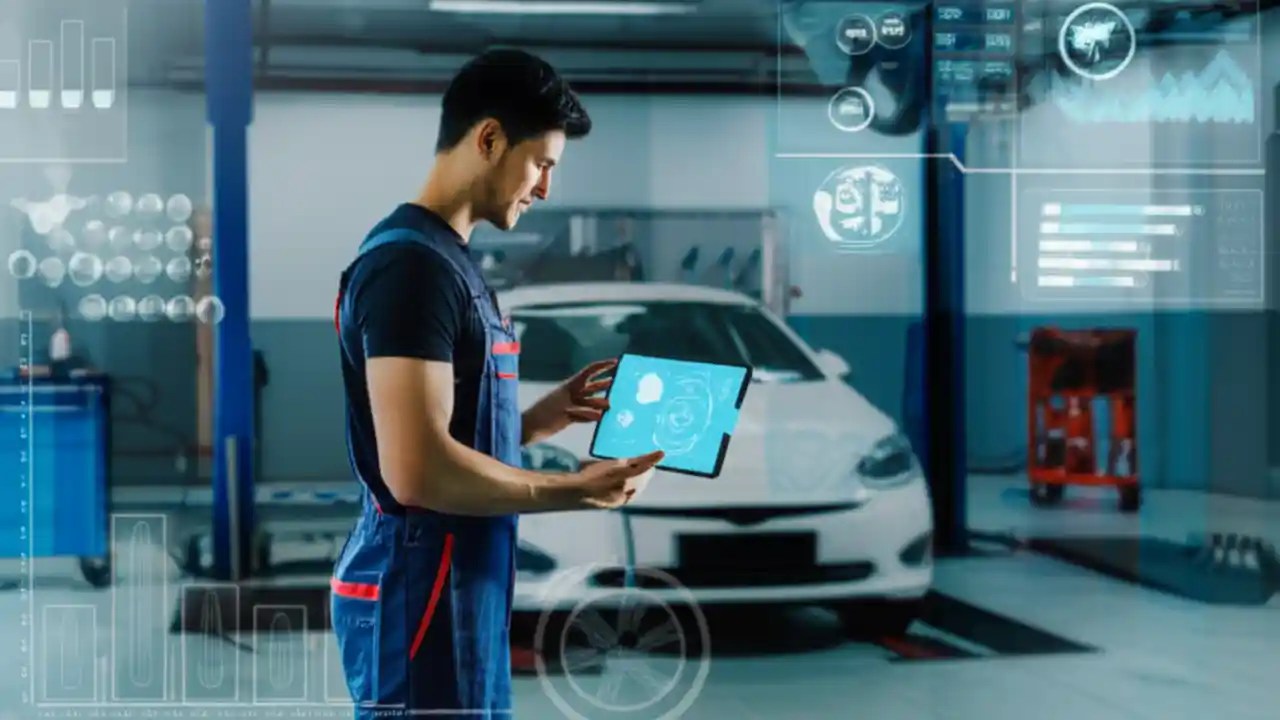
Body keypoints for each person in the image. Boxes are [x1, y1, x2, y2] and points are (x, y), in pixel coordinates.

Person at [329, 49, 663, 719]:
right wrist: (576, 491)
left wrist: (539, 417)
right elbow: (417, 471)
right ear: (488, 139)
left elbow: (451, 424)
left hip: (463, 584)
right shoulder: (409, 270)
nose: (545, 189)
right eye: (542, 164)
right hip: (417, 593)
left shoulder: (450, 261)